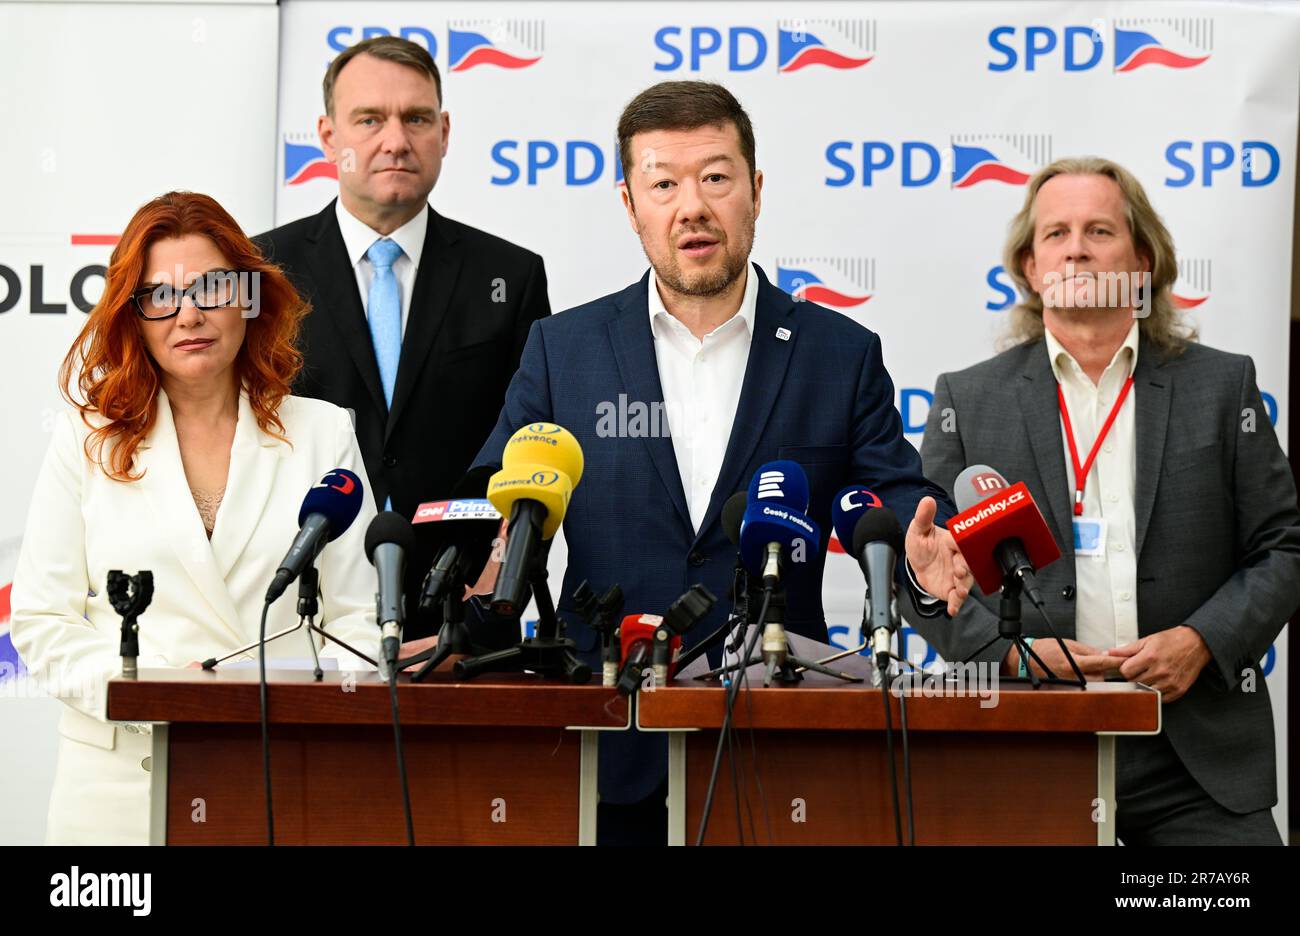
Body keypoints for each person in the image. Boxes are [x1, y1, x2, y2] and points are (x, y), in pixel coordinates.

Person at [472, 81, 972, 844]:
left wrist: (920, 558)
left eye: (715, 177)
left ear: (756, 190)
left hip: (777, 733)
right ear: (629, 203)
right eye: (663, 184)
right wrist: (478, 582)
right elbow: (500, 507)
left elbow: (897, 500)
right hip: (604, 735)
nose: (691, 206)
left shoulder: (838, 354)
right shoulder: (562, 350)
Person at [915, 156, 1300, 844]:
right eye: (1055, 234)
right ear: (1030, 267)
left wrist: (1201, 642)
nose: (1078, 248)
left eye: (1099, 229)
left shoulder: (1223, 388)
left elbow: (1283, 549)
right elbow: (931, 579)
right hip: (1029, 744)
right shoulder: (968, 402)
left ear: (1143, 259)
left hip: (1194, 756)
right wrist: (1016, 657)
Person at [10, 192, 379, 845]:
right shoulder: (86, 440)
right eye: (161, 296)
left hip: (283, 775)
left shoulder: (322, 432)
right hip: (120, 787)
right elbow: (42, 619)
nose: (189, 314)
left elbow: (359, 618)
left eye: (212, 288)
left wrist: (300, 706)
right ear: (135, 314)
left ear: (247, 296)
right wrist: (155, 693)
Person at [256, 36, 551, 639]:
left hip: (457, 611)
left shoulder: (509, 276)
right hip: (297, 602)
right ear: (328, 135)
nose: (395, 140)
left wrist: (496, 581)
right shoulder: (262, 269)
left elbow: (530, 446)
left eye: (416, 118)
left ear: (444, 132)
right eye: (369, 119)